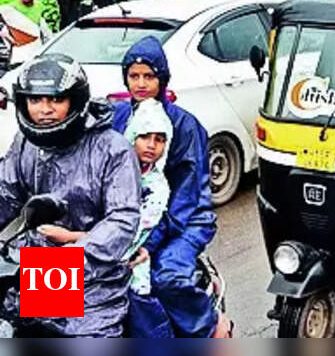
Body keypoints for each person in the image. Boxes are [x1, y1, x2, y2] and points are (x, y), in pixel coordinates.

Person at [0, 54, 140, 337]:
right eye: (36, 100)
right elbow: (6, 193)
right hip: (33, 269)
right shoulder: (25, 143)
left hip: (94, 278)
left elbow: (123, 220)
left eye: (56, 100)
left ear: (74, 100)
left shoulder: (112, 148)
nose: (45, 109)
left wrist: (73, 258)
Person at [111, 36, 227, 338]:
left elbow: (187, 196)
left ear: (161, 79)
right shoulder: (113, 118)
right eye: (133, 76)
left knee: (164, 277)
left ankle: (209, 328)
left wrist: (148, 243)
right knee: (46, 287)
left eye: (148, 76)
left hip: (179, 218)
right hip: (126, 219)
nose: (46, 109)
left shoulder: (184, 126)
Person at [122, 98, 175, 339]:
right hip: (61, 257)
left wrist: (72, 238)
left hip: (118, 263)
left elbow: (128, 235)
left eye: (160, 139)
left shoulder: (156, 187)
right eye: (145, 136)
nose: (151, 145)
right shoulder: (105, 163)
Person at [0, 0, 53, 66]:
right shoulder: (10, 9)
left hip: (36, 54)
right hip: (18, 57)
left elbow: (44, 31)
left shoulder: (39, 7)